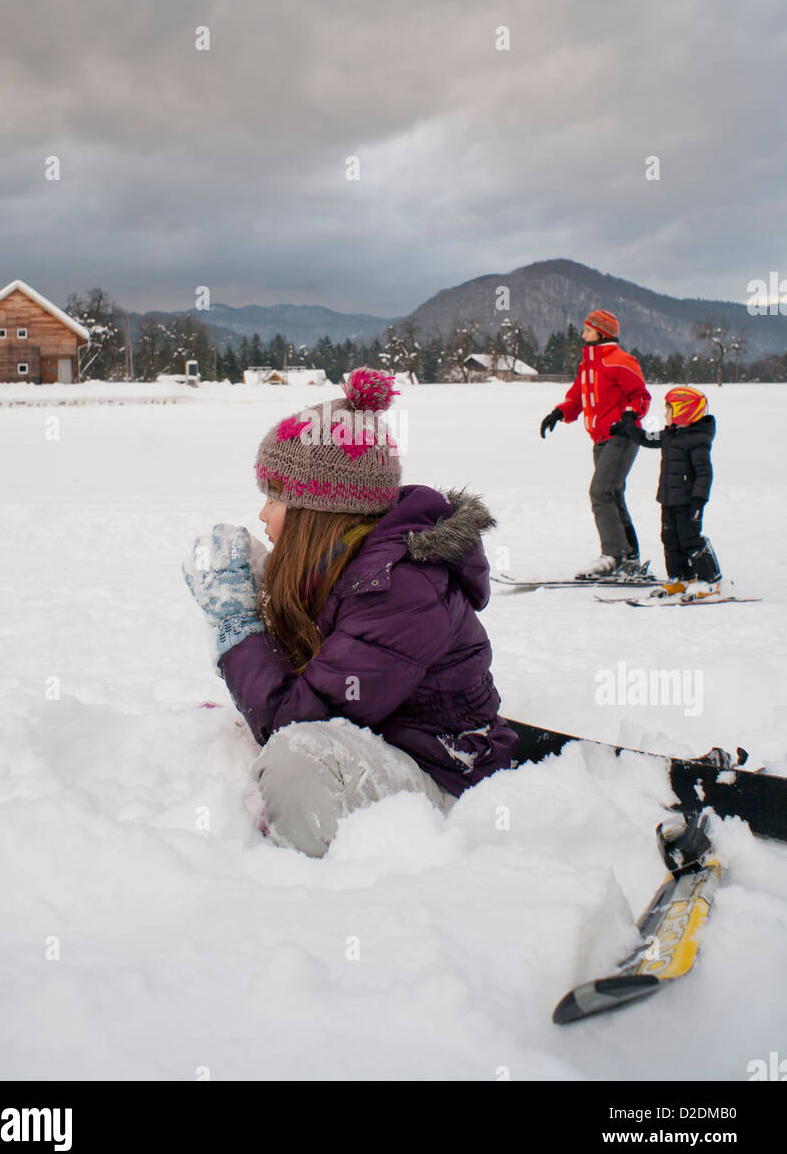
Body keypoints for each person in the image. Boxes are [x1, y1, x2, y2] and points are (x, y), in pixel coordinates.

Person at [182, 368, 517, 858]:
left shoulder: (400, 589)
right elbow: (314, 689)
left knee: (294, 761)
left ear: (317, 512)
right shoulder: (348, 570)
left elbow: (290, 721)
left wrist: (236, 624)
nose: (263, 515)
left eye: (275, 497)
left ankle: (305, 886)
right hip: (393, 752)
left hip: (446, 786)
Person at [539, 309, 651, 579]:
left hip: (621, 437)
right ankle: (630, 557)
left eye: (587, 330)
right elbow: (576, 399)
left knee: (600, 492)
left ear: (601, 333)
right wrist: (558, 413)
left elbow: (640, 396)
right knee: (612, 495)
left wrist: (629, 415)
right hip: (600, 440)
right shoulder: (589, 364)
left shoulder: (621, 361)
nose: (583, 334)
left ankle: (613, 555)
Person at [610, 385, 722, 600]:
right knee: (669, 539)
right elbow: (646, 439)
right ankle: (680, 577)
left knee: (690, 539)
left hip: (689, 502)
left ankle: (712, 580)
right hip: (668, 500)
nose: (665, 414)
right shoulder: (670, 435)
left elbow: (704, 474)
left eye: (669, 410)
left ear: (684, 412)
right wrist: (626, 427)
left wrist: (699, 501)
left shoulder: (698, 440)